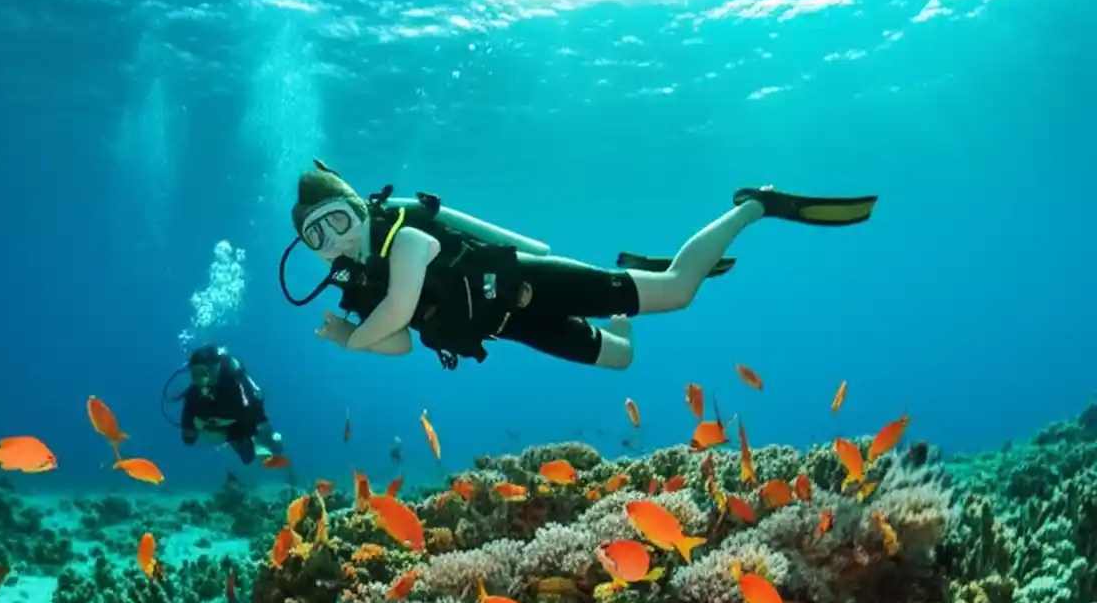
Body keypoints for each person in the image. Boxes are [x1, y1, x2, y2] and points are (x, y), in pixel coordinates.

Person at [278, 159, 877, 371]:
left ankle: (755, 205)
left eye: (338, 217)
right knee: (622, 358)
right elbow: (402, 344)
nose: (333, 237)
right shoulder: (357, 290)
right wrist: (347, 334)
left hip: (528, 283)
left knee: (677, 292)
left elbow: (402, 308)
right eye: (315, 234)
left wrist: (353, 341)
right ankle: (629, 274)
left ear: (358, 208)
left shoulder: (402, 235)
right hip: (509, 329)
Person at [168, 344, 283, 464]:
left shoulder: (234, 382)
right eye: (196, 375)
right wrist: (189, 430)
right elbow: (188, 415)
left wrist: (250, 432)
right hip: (222, 424)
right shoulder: (194, 393)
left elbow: (253, 410)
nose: (203, 380)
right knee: (247, 457)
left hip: (241, 420)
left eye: (207, 373)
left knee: (268, 443)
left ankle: (272, 441)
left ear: (216, 369)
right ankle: (238, 442)